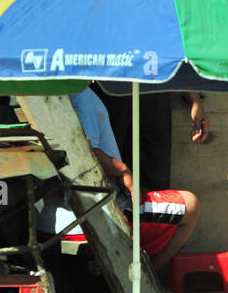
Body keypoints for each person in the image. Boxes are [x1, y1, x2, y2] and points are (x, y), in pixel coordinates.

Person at [97, 0, 211, 192]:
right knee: (112, 171)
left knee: (155, 174)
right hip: (112, 89)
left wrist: (194, 100)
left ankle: (152, 233)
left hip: (156, 91)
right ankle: (113, 233)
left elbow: (177, 47)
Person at [41, 86, 201, 274]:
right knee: (191, 205)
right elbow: (84, 150)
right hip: (97, 219)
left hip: (49, 222)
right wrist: (122, 170)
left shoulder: (46, 96)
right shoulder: (80, 95)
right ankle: (147, 276)